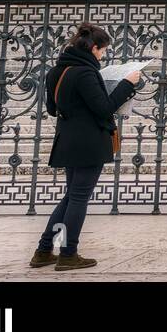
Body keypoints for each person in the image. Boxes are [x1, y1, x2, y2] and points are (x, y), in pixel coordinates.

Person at [28, 23, 140, 271]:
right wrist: (127, 84)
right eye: (102, 51)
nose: (103, 55)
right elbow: (104, 108)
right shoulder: (85, 73)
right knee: (78, 198)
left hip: (67, 139)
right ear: (94, 48)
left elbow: (51, 109)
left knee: (71, 196)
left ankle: (44, 250)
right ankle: (68, 253)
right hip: (88, 142)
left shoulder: (57, 71)